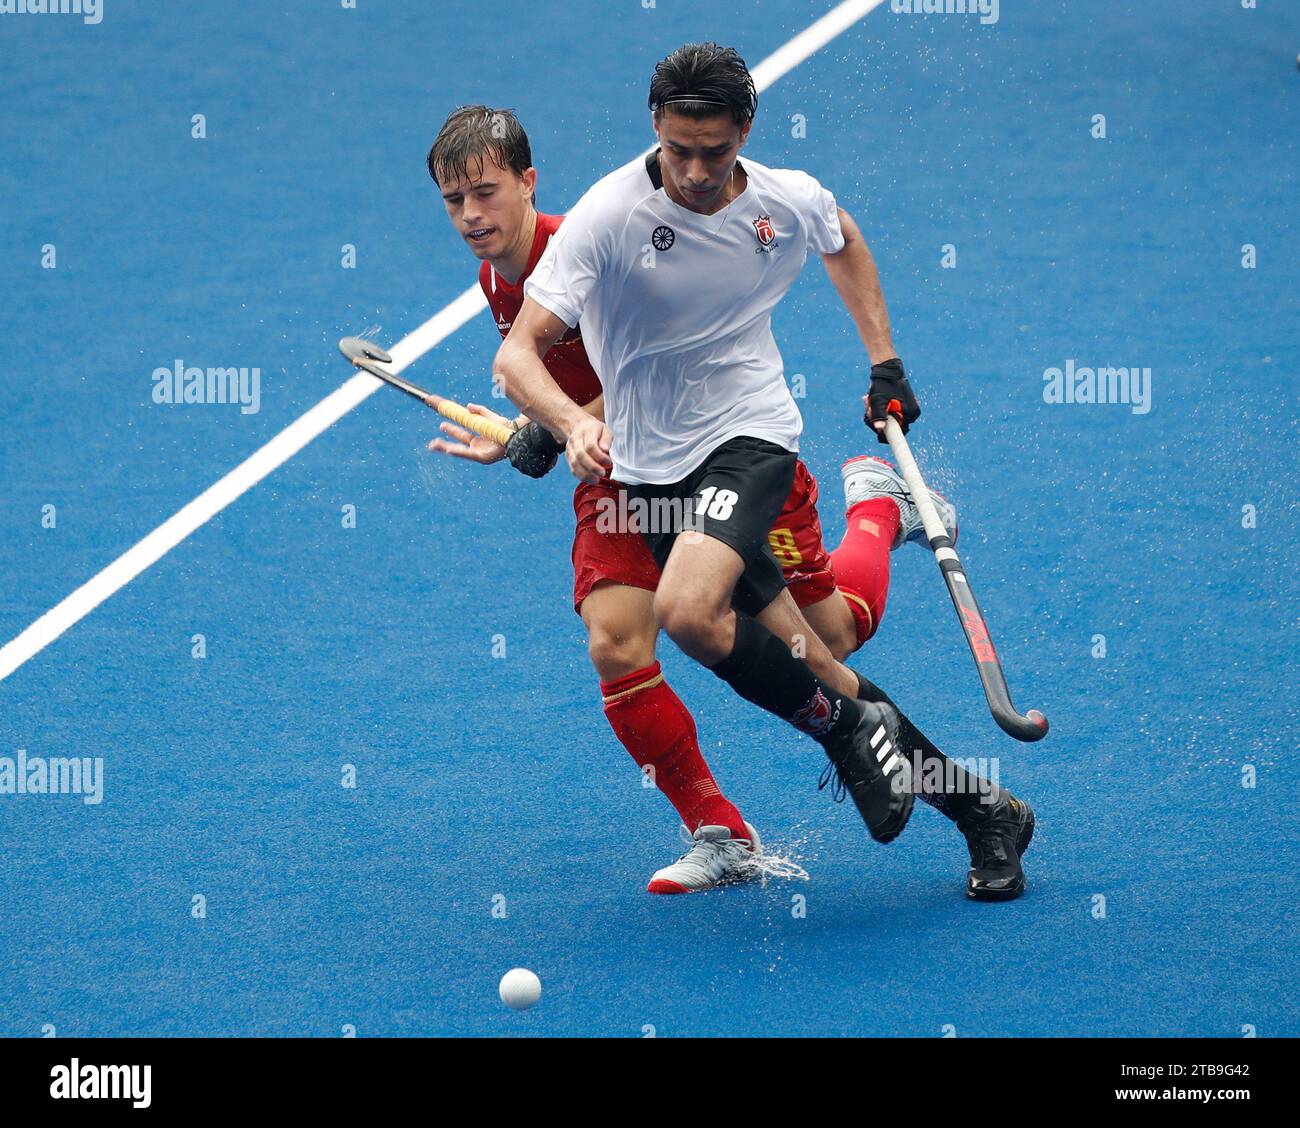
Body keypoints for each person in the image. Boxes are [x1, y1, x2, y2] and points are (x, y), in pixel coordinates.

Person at [492, 45, 1036, 900]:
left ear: (746, 130)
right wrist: (565, 424)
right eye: (679, 151)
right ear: (655, 133)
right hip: (648, 467)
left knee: (686, 611)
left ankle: (846, 731)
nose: (698, 171)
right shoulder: (608, 216)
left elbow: (843, 236)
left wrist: (883, 360)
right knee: (816, 659)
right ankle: (983, 810)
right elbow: (520, 355)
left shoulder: (783, 198)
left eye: (715, 150)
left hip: (750, 439)